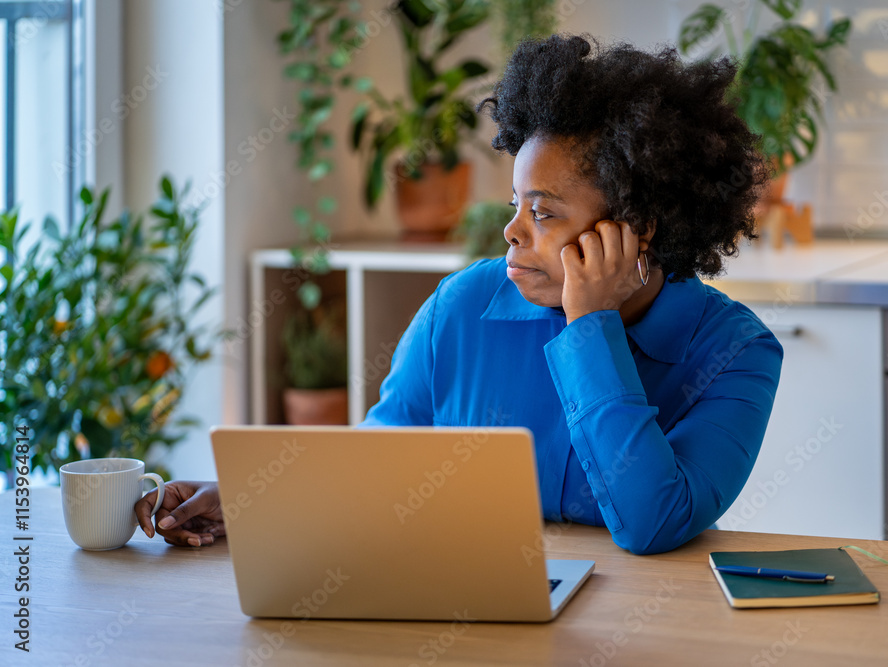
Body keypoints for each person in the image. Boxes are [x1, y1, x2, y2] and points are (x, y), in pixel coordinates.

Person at [135, 34, 782, 555]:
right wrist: (248, 500)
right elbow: (377, 463)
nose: (511, 231)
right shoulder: (463, 305)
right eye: (514, 204)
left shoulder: (738, 353)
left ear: (638, 227)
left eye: (544, 212)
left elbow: (652, 522)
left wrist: (592, 326)